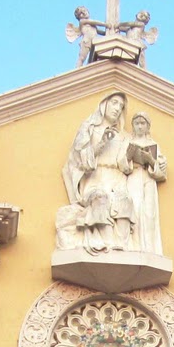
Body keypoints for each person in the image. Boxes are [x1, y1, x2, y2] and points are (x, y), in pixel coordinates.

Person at [60, 92, 135, 253]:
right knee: (100, 198)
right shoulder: (89, 130)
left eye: (121, 107)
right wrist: (101, 144)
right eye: (114, 103)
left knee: (125, 200)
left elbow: (125, 165)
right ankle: (106, 243)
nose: (117, 109)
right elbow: (80, 160)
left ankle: (121, 245)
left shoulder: (124, 136)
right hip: (95, 178)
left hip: (116, 179)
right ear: (104, 105)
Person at [124, 112, 168, 254]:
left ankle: (149, 248)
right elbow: (121, 164)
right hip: (134, 176)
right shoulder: (127, 143)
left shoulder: (153, 145)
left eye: (143, 123)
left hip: (148, 179)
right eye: (137, 123)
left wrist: (150, 159)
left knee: (149, 213)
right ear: (133, 126)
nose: (140, 126)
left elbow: (161, 172)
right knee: (135, 209)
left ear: (148, 127)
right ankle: (134, 246)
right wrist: (128, 157)